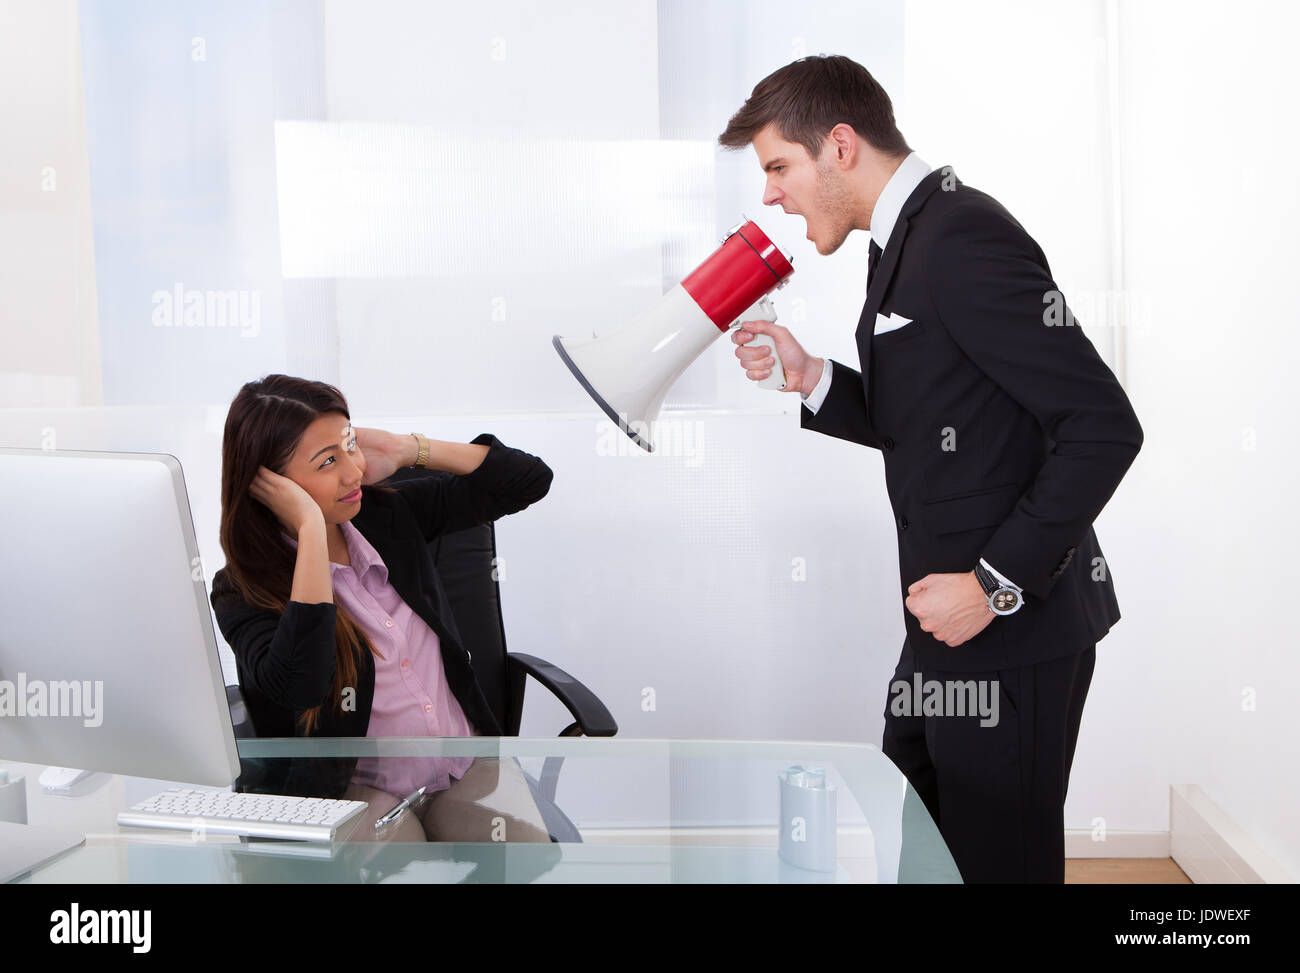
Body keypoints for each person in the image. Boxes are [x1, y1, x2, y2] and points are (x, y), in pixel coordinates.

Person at [719, 56, 1143, 882]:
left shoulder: (961, 236)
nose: (770, 194)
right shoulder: (901, 241)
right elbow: (937, 421)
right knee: (918, 838)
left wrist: (991, 585)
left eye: (778, 167)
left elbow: (1102, 426)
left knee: (992, 864)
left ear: (839, 144)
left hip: (1007, 626)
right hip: (942, 631)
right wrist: (813, 378)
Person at [209, 373, 554, 843]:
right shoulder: (241, 591)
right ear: (268, 485)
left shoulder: (388, 517)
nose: (353, 471)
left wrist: (408, 449)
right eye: (327, 460)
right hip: (356, 791)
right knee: (401, 874)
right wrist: (310, 531)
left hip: (462, 763)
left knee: (526, 856)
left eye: (349, 445)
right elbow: (301, 684)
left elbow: (528, 481)